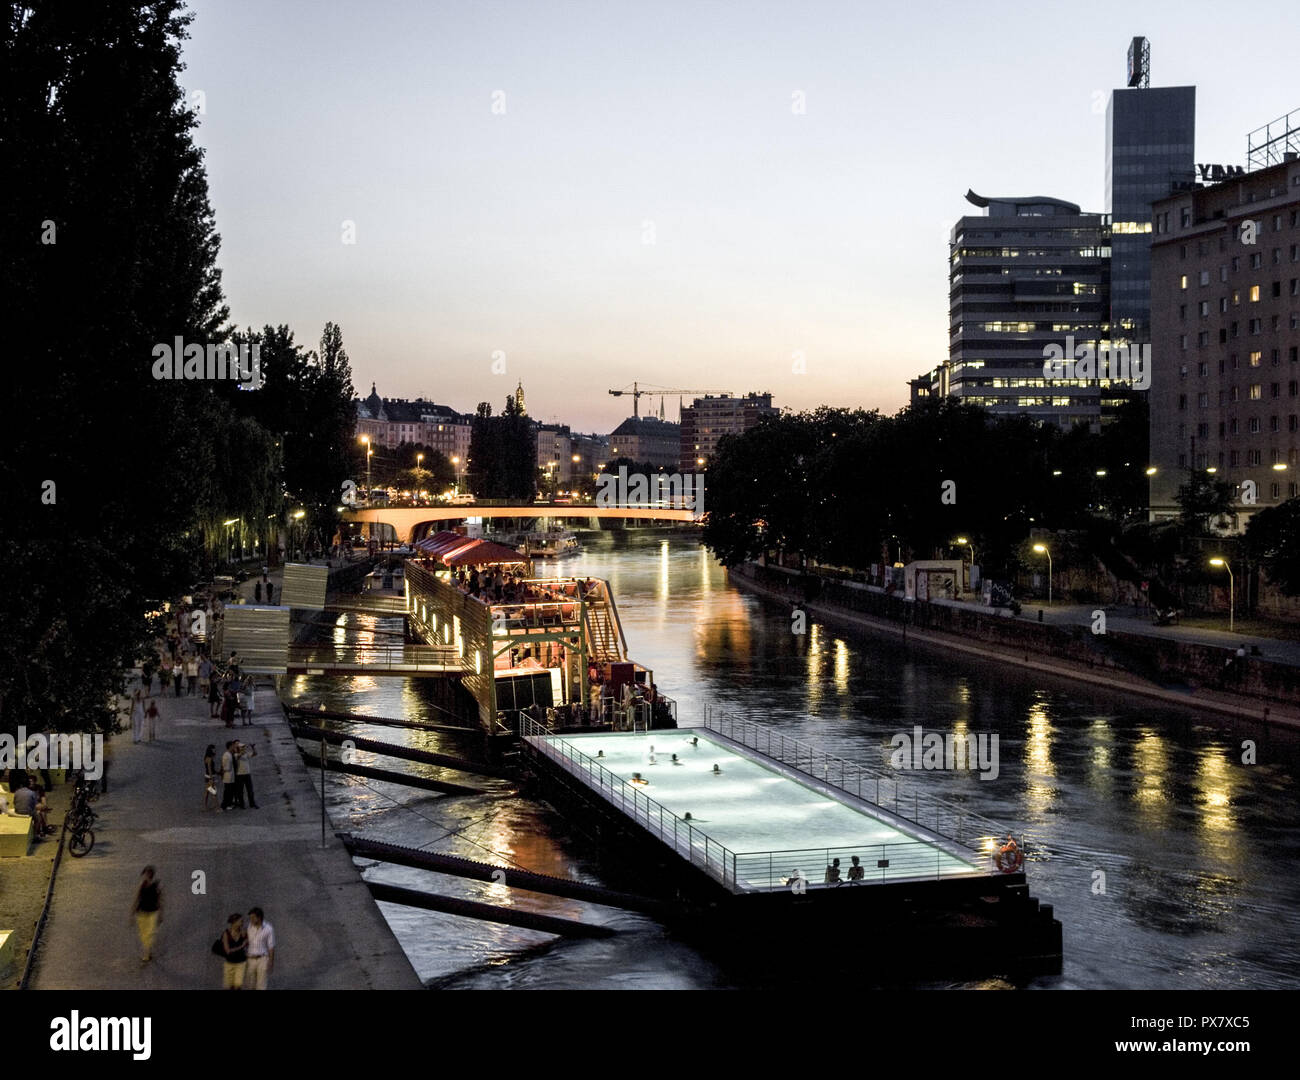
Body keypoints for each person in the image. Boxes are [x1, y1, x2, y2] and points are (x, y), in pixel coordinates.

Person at [131, 867, 162, 963]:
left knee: (150, 933)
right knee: (144, 935)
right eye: (146, 874)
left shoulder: (157, 885)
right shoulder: (142, 885)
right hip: (142, 912)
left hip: (153, 912)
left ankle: (147, 954)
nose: (147, 876)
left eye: (149, 874)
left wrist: (161, 914)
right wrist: (132, 912)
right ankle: (148, 951)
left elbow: (160, 900)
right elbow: (137, 898)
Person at [245, 908, 276, 990]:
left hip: (263, 959)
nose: (250, 920)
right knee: (250, 984)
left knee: (261, 985)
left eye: (252, 917)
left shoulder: (268, 929)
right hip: (250, 959)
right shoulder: (248, 927)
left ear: (259, 918)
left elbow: (271, 946)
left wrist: (271, 962)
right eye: (250, 918)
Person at [219, 913, 248, 989]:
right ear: (234, 922)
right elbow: (227, 951)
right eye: (240, 921)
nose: (242, 923)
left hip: (241, 963)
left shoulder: (243, 933)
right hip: (229, 963)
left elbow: (248, 944)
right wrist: (241, 946)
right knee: (229, 985)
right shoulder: (226, 934)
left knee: (238, 984)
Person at [235, 741, 259, 808]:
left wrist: (253, 748)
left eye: (243, 746)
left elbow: (255, 754)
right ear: (239, 748)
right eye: (242, 747)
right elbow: (239, 756)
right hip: (240, 775)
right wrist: (244, 750)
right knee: (240, 791)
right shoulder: (236, 754)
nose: (243, 748)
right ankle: (242, 804)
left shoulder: (245, 753)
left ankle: (252, 804)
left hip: (247, 774)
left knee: (250, 790)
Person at [220, 741, 242, 810]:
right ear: (230, 746)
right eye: (233, 746)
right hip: (228, 776)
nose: (234, 747)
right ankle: (225, 805)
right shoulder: (226, 755)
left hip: (231, 776)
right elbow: (226, 767)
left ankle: (229, 803)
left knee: (230, 791)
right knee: (227, 792)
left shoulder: (230, 754)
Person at [203, 745, 219, 810]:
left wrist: (217, 772)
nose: (215, 750)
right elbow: (209, 769)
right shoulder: (209, 759)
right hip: (210, 777)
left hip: (207, 777)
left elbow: (210, 768)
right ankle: (217, 807)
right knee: (213, 792)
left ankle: (205, 806)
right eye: (213, 749)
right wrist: (211, 778)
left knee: (207, 792)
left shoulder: (206, 758)